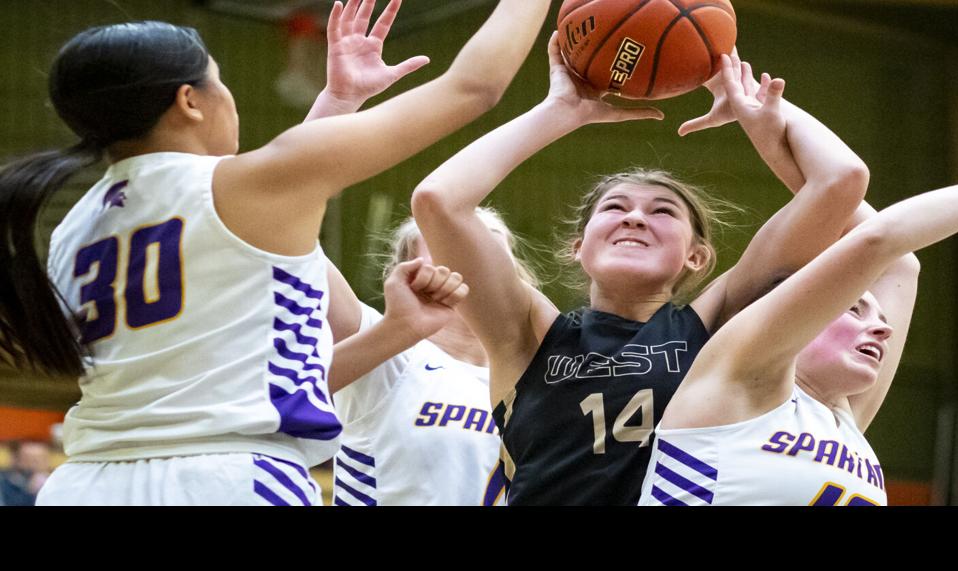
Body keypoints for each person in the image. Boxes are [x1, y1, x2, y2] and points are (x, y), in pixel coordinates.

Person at [0, 0, 551, 505]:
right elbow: (473, 88)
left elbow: (267, 219)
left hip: (86, 480)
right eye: (221, 81)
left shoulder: (75, 224)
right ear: (189, 100)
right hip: (223, 478)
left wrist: (339, 101)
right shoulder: (241, 185)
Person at [413, 44, 870, 505]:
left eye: (662, 211)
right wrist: (557, 112)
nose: (634, 218)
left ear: (696, 257)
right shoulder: (528, 334)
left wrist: (748, 101)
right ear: (579, 247)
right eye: (614, 207)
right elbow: (439, 201)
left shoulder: (715, 326)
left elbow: (840, 181)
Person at [639, 119, 958, 506]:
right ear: (791, 313)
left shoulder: (843, 417)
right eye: (854, 308)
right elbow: (882, 239)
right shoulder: (739, 378)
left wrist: (770, 120)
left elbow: (900, 260)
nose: (881, 323)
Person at [325, 212, 542, 506]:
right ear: (407, 272)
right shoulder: (384, 352)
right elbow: (290, 241)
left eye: (488, 239)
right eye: (447, 240)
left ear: (517, 272)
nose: (472, 247)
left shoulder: (544, 380)